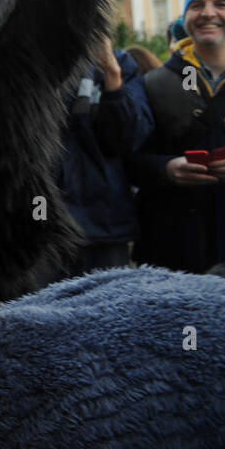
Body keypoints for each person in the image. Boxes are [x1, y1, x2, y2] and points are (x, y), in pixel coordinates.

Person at [131, 0, 225, 272]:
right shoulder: (152, 84)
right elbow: (128, 160)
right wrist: (165, 169)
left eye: (221, 4)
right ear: (186, 18)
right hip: (175, 252)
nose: (208, 13)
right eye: (197, 5)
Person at [53, 37, 154, 276]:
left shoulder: (120, 64)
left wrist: (112, 74)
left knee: (107, 309)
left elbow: (130, 139)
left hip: (105, 227)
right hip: (45, 225)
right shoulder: (31, 66)